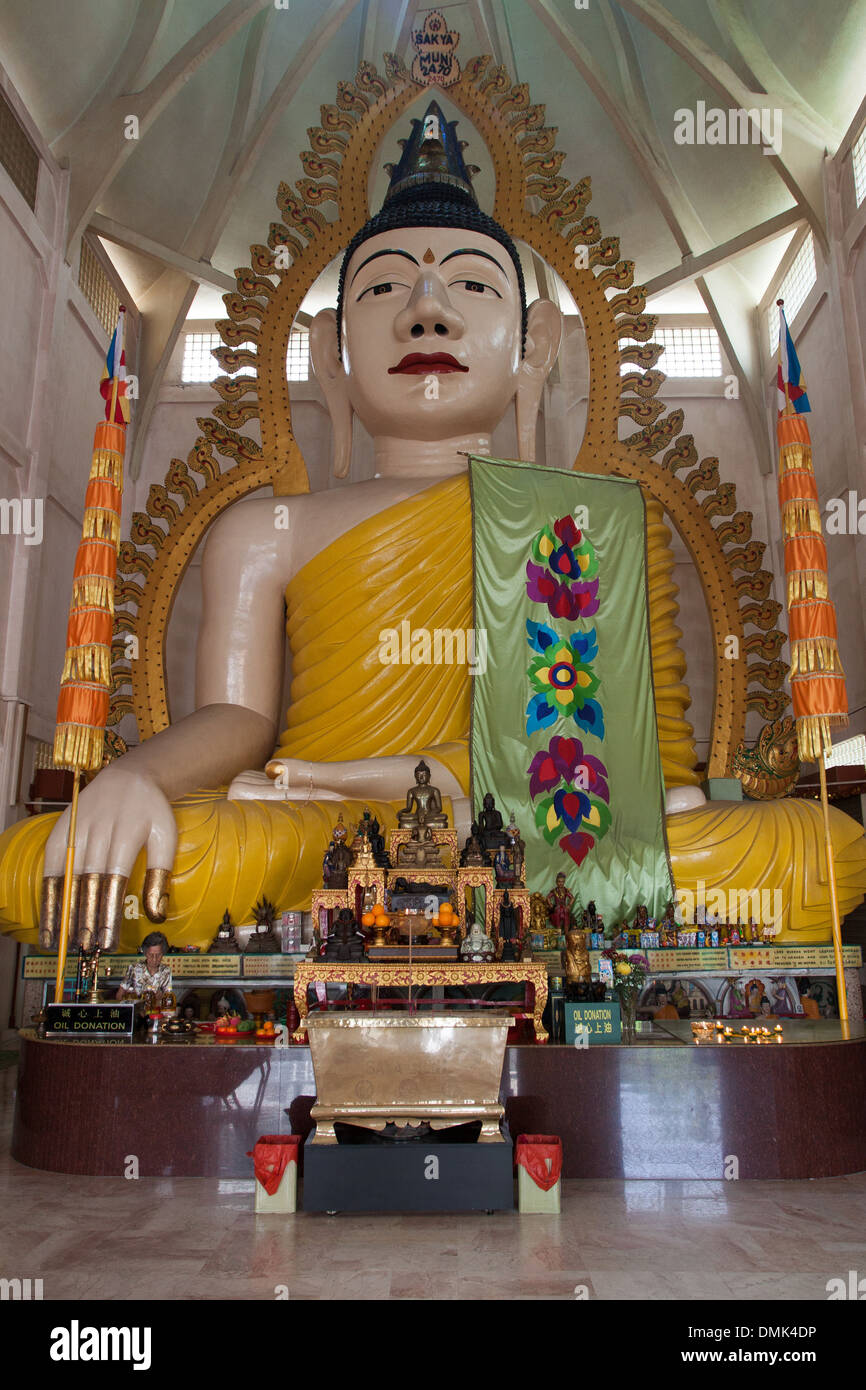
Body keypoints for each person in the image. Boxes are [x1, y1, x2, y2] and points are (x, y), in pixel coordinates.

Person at [4, 101, 864, 955]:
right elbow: (237, 716)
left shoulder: (589, 523)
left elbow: (638, 773)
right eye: (384, 286)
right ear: (330, 350)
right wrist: (135, 777)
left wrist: (561, 801)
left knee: (811, 848)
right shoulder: (266, 529)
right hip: (320, 825)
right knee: (106, 857)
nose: (427, 312)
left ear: (535, 346)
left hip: (531, 827)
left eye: (473, 286)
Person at [117, 931, 172, 1000]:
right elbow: (119, 995)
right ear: (145, 953)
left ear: (163, 953)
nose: (154, 959)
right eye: (151, 955)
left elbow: (168, 997)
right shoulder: (134, 968)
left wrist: (161, 997)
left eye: (158, 955)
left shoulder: (166, 971)